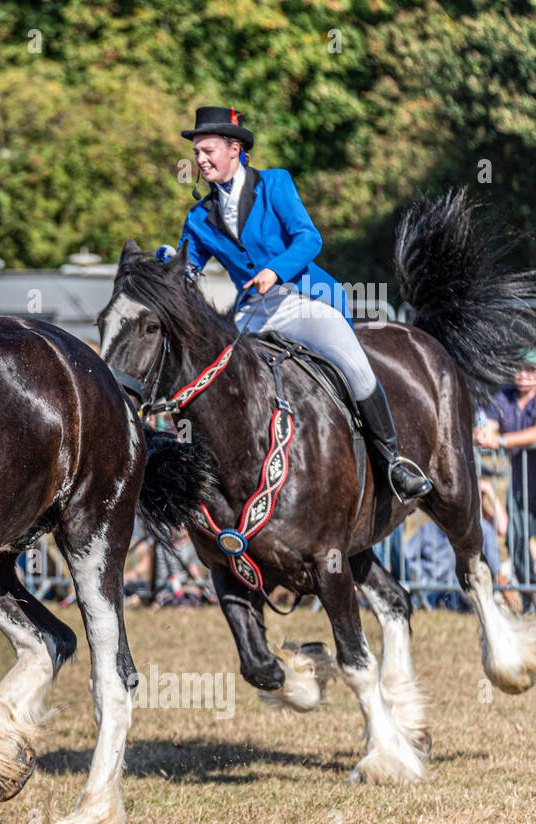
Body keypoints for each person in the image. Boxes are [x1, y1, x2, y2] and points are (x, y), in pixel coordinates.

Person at [175, 106, 431, 502]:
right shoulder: (198, 217)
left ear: (235, 148)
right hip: (251, 312)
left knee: (356, 369)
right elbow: (185, 269)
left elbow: (309, 239)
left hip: (302, 299)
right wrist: (163, 264)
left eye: (207, 150)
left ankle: (393, 462)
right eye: (196, 153)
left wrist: (274, 271)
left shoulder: (275, 184)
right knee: (210, 374)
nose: (200, 160)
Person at [474, 354, 536, 610]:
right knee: (516, 539)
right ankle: (531, 595)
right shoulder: (504, 396)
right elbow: (489, 424)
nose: (522, 374)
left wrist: (500, 441)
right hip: (521, 487)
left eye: (530, 369)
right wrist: (483, 432)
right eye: (518, 368)